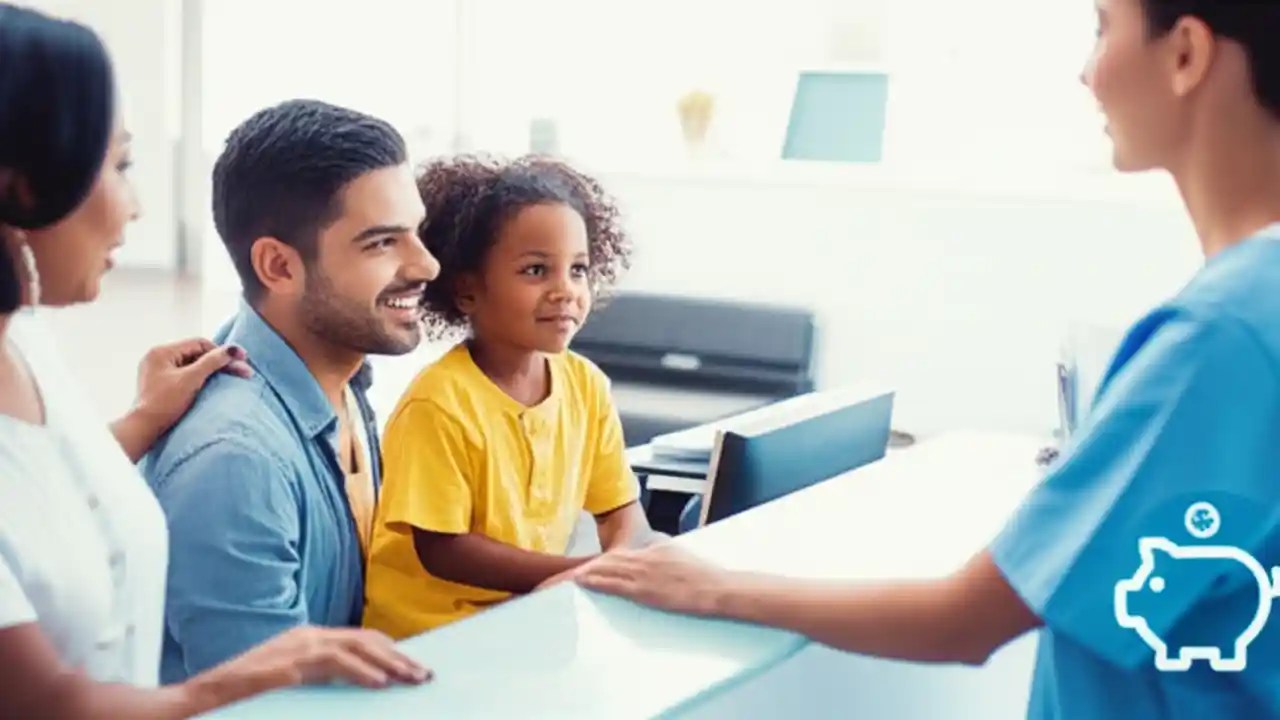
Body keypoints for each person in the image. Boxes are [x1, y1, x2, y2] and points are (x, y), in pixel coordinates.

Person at [577, 0, 1280, 717]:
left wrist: (711, 585)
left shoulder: (1221, 336)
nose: (1085, 73)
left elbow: (968, 619)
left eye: (1102, 29)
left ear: (1187, 52)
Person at [0, 5, 428, 718]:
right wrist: (223, 688)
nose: (135, 207)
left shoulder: (29, 345)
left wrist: (139, 425)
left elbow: (30, 505)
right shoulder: (235, 456)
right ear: (23, 184)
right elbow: (43, 698)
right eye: (121, 164)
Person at [141, 98, 441, 682]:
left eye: (417, 233)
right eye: (382, 243)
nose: (426, 265)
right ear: (278, 267)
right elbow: (260, 708)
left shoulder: (345, 384)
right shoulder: (237, 462)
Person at [361, 154, 663, 639]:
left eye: (579, 269)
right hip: (432, 640)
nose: (566, 290)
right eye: (537, 270)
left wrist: (622, 562)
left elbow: (619, 510)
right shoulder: (438, 403)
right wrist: (582, 573)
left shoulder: (586, 386)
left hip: (527, 618)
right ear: (466, 291)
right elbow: (442, 549)